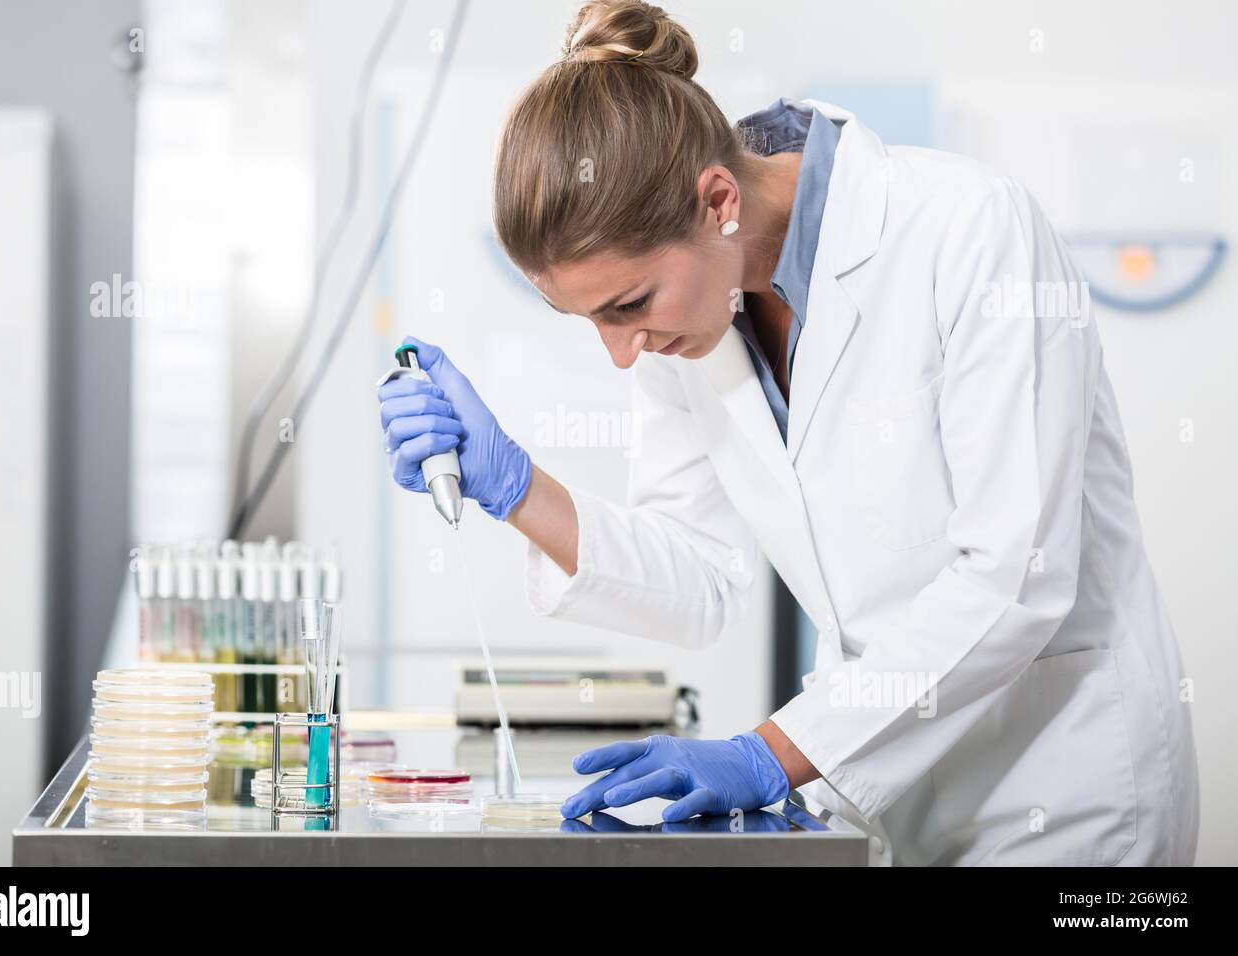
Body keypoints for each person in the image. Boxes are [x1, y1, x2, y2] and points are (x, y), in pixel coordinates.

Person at [377, 0, 1199, 865]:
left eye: (627, 307)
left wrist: (766, 753)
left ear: (719, 200)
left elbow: (1013, 577)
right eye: (588, 320)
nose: (622, 355)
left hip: (1069, 790)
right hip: (892, 790)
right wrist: (514, 489)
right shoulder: (693, 312)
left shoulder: (972, 230)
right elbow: (702, 577)